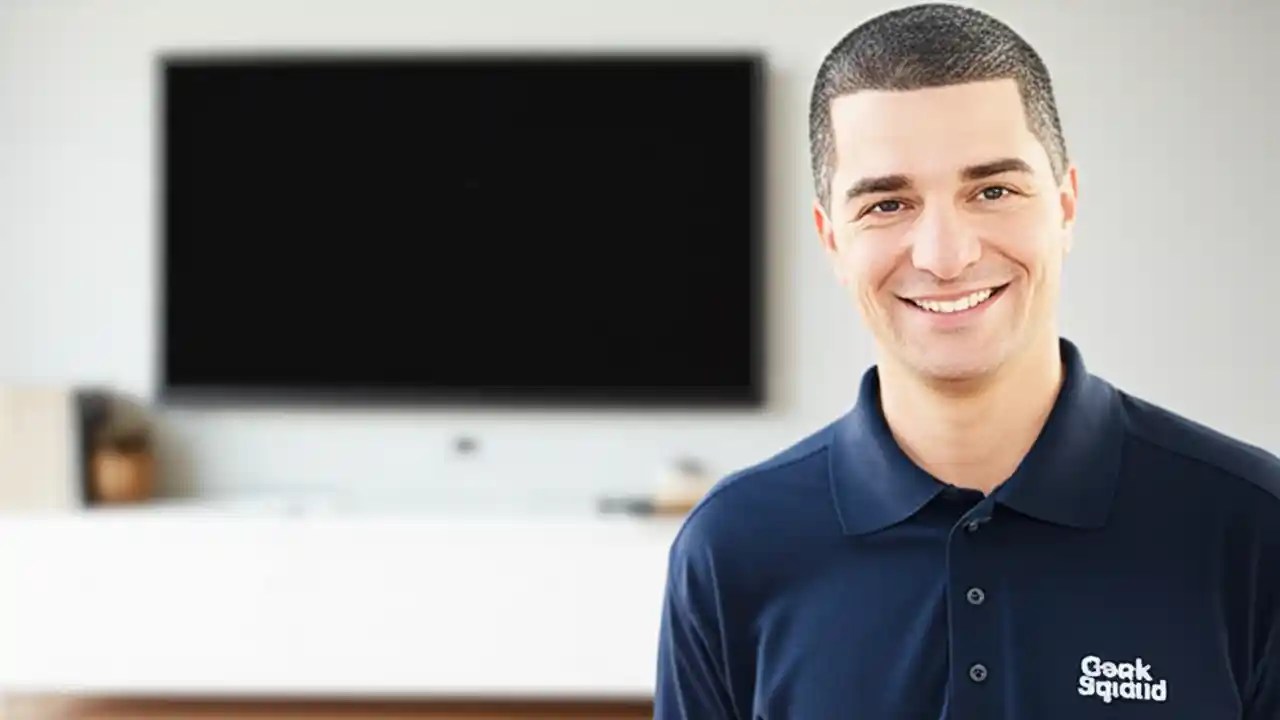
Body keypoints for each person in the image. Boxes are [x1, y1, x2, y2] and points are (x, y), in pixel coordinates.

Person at [653, 3, 1280, 718]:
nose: (945, 256)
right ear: (831, 240)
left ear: (1065, 207)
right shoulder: (732, 547)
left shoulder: (1252, 527)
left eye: (993, 191)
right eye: (887, 204)